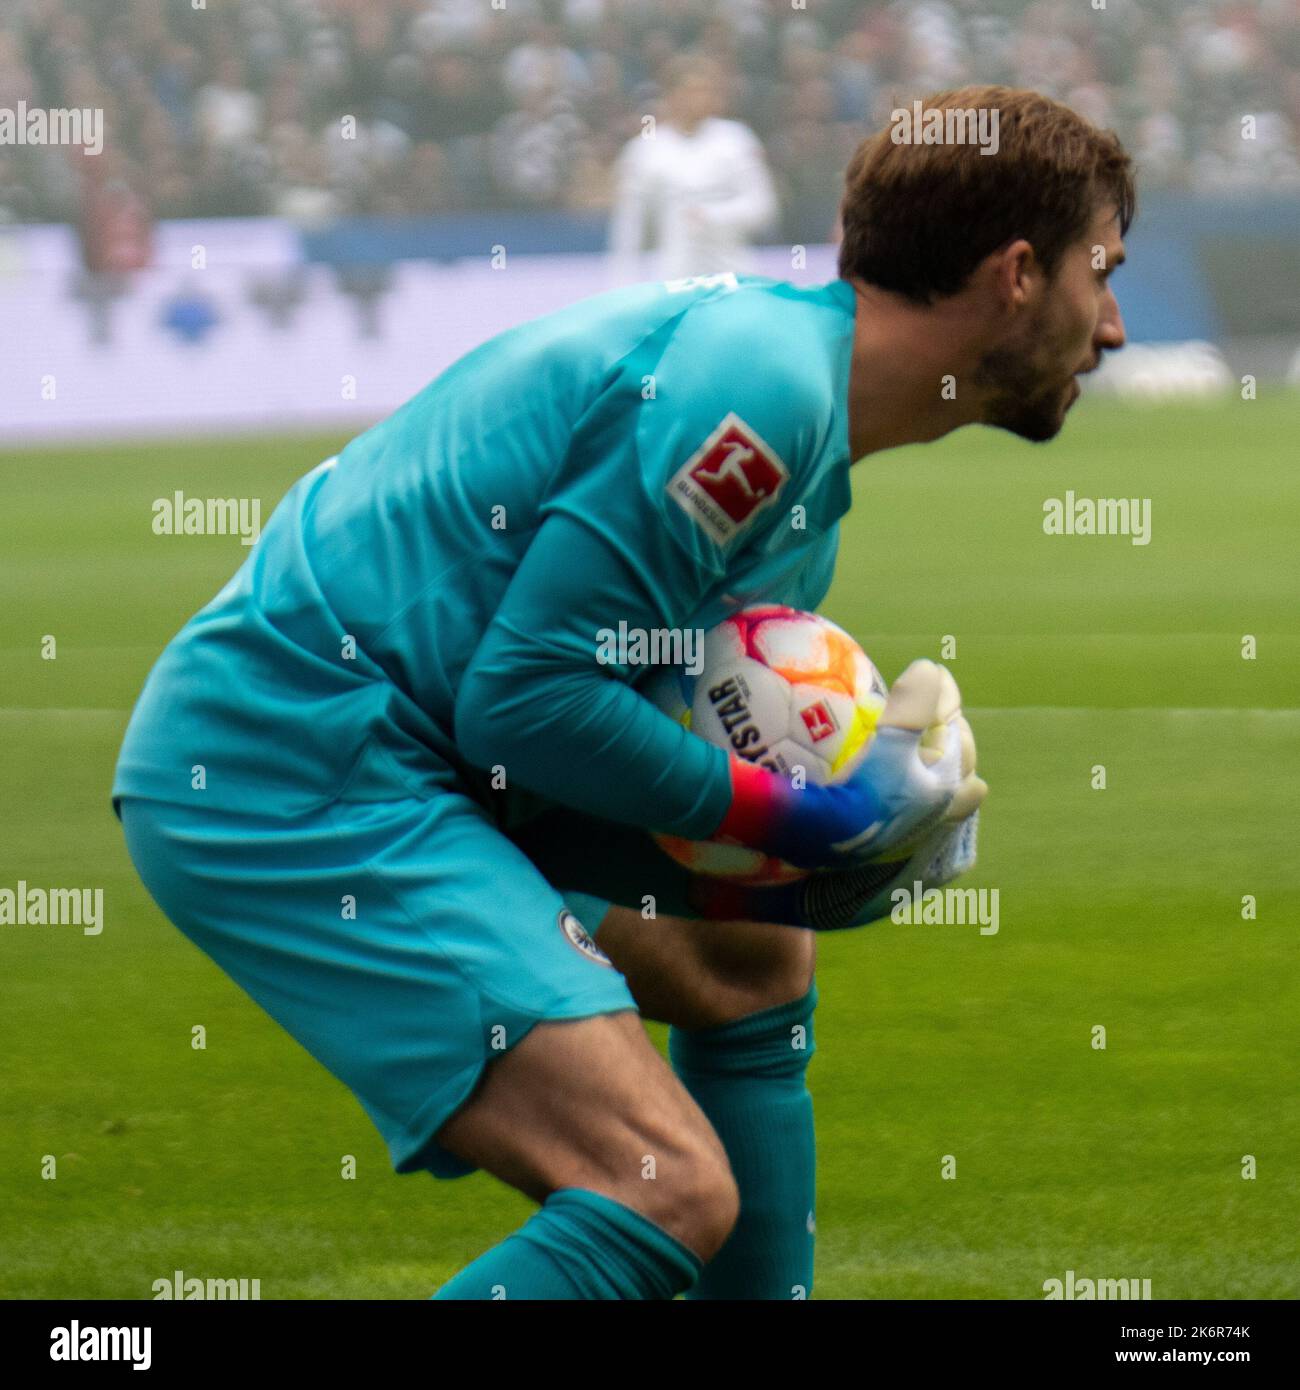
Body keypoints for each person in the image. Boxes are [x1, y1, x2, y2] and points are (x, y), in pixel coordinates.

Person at [114, 86, 1131, 1300]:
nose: (1112, 325)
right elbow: (526, 702)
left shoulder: (796, 449)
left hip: (404, 760)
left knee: (751, 954)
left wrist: (821, 865)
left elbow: (586, 760)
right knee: (661, 1184)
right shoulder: (756, 392)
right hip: (298, 761)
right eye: (1099, 272)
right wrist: (786, 817)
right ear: (1016, 274)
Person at [609, 54, 779, 282]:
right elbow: (629, 228)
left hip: (735, 276)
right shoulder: (644, 151)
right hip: (672, 278)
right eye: (692, 91)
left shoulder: (736, 139)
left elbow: (763, 208)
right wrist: (622, 283)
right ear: (670, 95)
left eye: (708, 91)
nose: (701, 99)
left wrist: (712, 215)